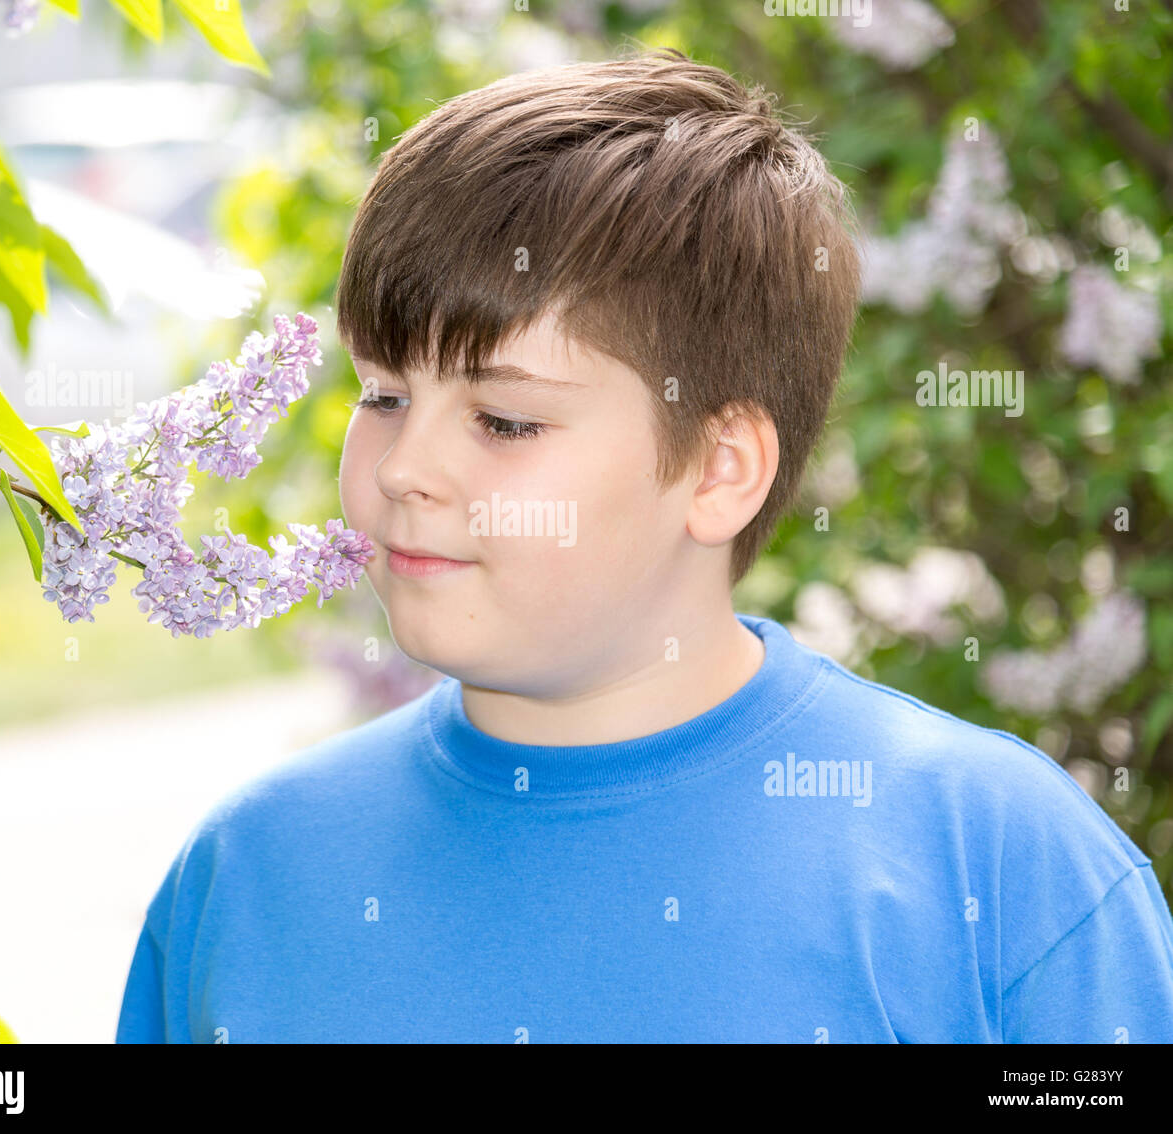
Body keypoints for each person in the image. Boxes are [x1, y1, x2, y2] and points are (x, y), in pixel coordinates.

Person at [115, 47, 1173, 1043]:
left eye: (505, 420)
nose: (401, 471)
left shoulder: (1001, 877)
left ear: (718, 471)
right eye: (383, 395)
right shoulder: (247, 878)